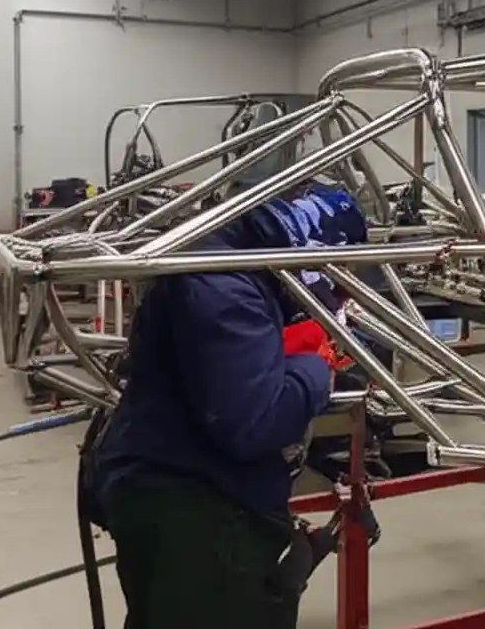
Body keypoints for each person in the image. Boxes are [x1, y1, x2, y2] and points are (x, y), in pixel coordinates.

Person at [90, 185, 368, 629]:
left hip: (177, 489)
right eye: (331, 274)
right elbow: (252, 422)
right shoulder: (224, 284)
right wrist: (315, 372)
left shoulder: (229, 260)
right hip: (193, 511)